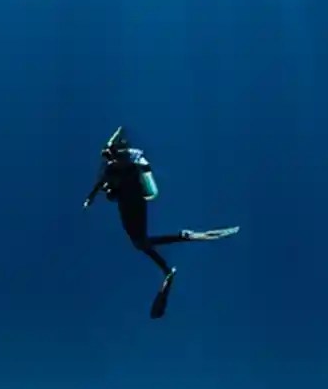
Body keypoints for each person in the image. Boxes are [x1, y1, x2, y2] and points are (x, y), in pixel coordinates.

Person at [83, 126, 239, 319]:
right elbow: (106, 180)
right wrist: (92, 196)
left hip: (132, 204)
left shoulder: (113, 169)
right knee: (141, 242)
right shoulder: (121, 166)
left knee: (140, 243)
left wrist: (91, 197)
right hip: (135, 202)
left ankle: (175, 254)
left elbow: (103, 181)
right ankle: (172, 257)